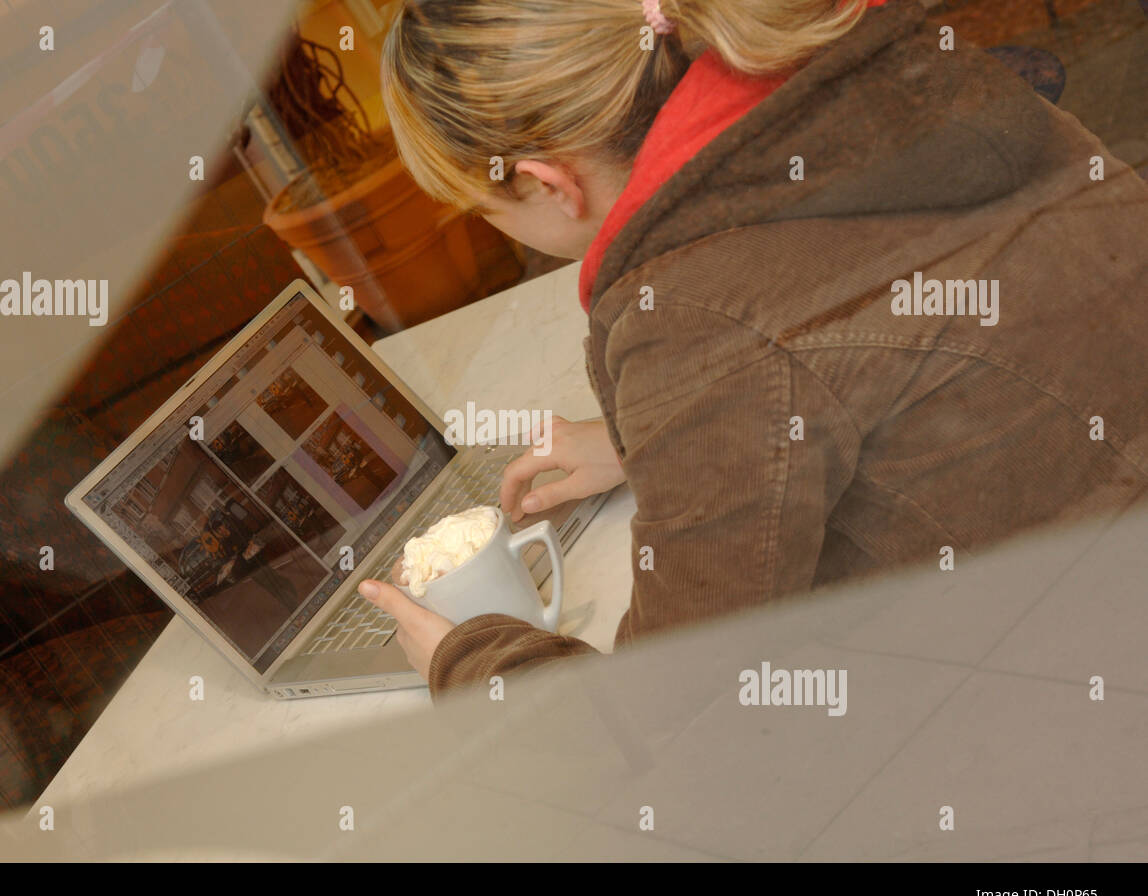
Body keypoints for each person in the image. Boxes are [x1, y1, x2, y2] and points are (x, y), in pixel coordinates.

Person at [357, 0, 1148, 698]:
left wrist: (468, 663)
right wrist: (657, 449)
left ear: (548, 183)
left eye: (481, 208)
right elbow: (882, 358)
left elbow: (672, 717)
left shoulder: (696, 326)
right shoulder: (866, 64)